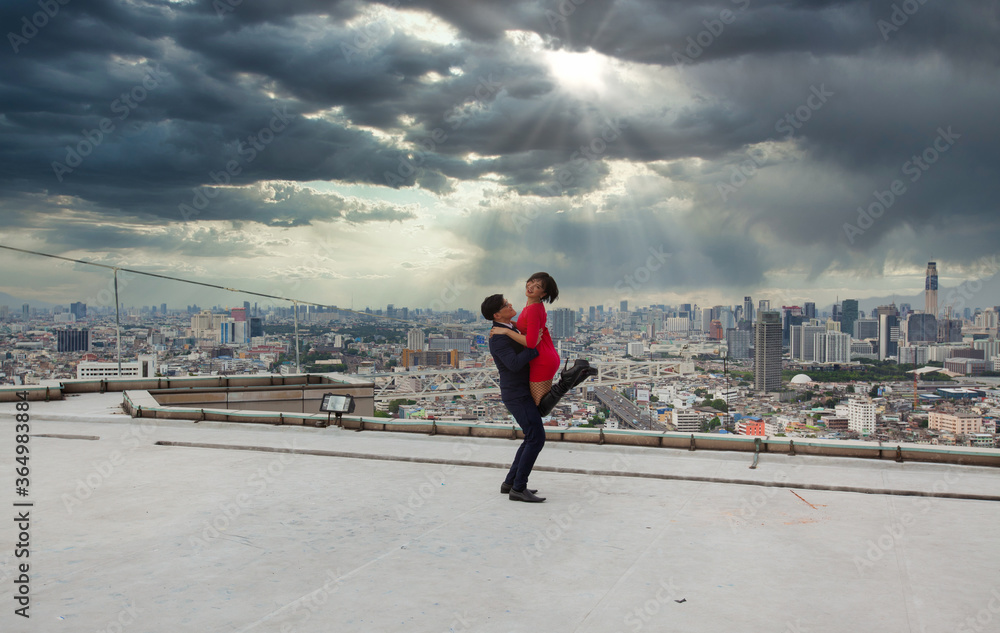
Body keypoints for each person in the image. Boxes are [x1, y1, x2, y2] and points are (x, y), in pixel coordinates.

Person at [490, 272, 597, 416]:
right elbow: (526, 326)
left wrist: (506, 331)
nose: (531, 286)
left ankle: (574, 374)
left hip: (541, 359)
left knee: (539, 410)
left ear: (543, 294)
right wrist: (508, 325)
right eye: (532, 282)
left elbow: (531, 343)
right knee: (538, 404)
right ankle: (580, 373)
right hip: (545, 353)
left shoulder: (533, 309)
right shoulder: (533, 303)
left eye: (538, 286)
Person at [482, 294, 547, 502]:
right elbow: (514, 364)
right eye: (505, 305)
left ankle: (510, 483)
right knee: (536, 438)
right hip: (516, 393)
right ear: (497, 314)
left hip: (520, 391)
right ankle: (518, 488)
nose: (510, 305)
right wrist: (533, 346)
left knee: (531, 437)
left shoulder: (508, 329)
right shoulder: (498, 337)